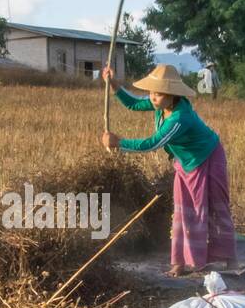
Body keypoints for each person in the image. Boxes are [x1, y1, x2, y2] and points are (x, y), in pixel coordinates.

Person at [101, 63, 236, 277]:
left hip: (208, 157)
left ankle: (228, 259)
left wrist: (120, 143)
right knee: (183, 210)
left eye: (159, 94)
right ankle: (180, 263)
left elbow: (153, 143)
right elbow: (134, 104)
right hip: (185, 162)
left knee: (214, 207)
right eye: (152, 93)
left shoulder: (180, 117)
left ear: (172, 95)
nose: (153, 97)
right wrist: (114, 84)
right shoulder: (160, 105)